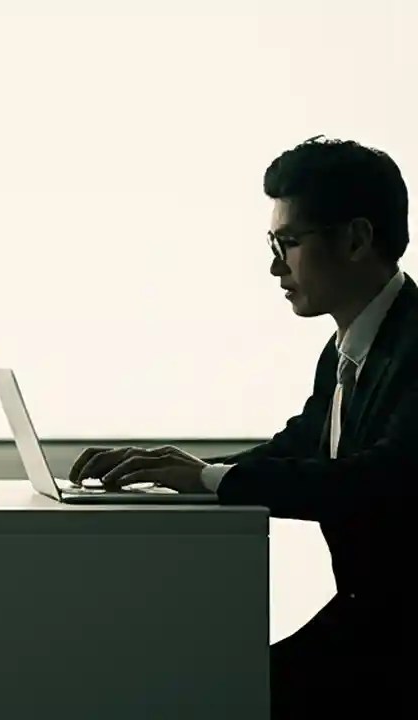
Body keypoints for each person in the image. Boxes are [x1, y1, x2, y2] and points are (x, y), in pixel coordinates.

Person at [68, 135, 413, 715]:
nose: (275, 265)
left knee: (215, 692)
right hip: (371, 621)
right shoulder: (348, 349)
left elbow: (374, 482)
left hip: (397, 638)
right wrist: (181, 469)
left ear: (356, 239)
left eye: (289, 242)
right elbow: (301, 445)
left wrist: (210, 480)